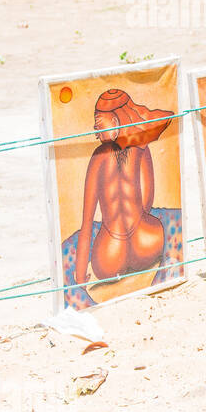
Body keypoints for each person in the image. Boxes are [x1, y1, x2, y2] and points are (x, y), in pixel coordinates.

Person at [74, 90, 174, 285]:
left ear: (115, 122)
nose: (95, 130)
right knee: (154, 221)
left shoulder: (98, 158)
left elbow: (86, 223)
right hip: (147, 243)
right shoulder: (141, 149)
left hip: (110, 257)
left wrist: (79, 275)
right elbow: (147, 200)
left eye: (99, 124)